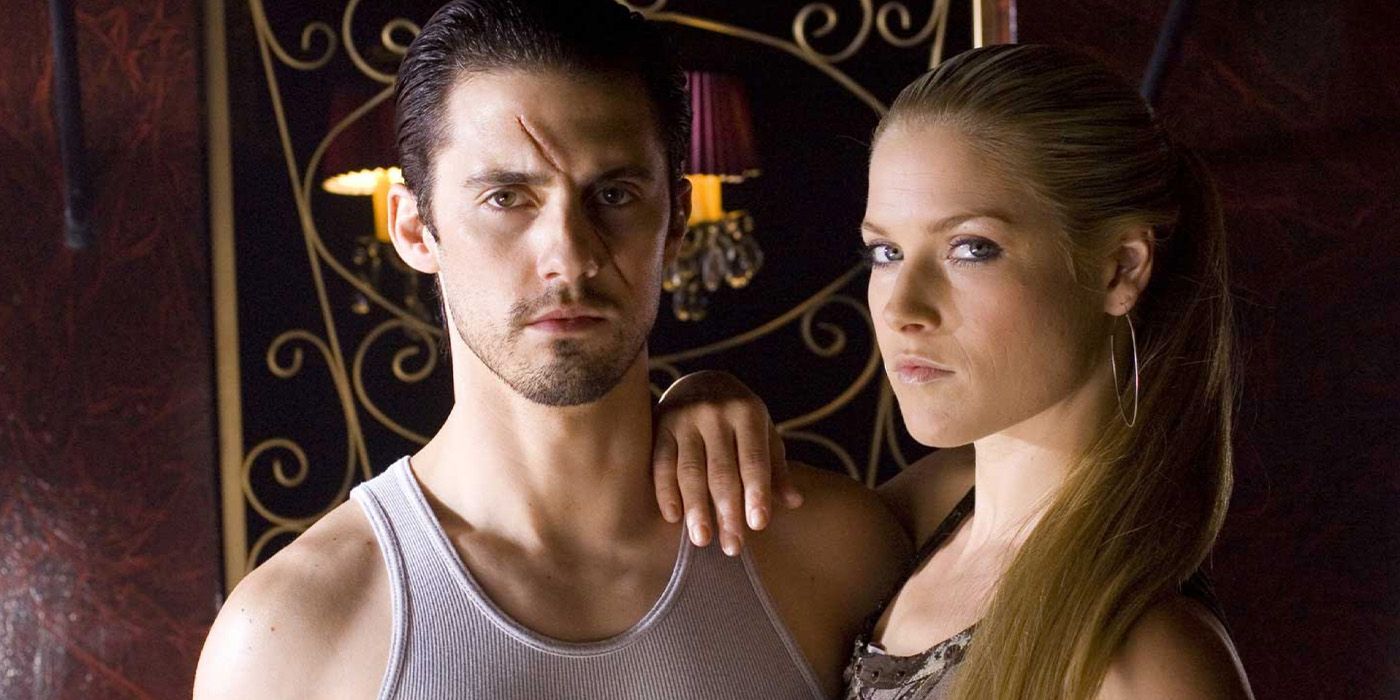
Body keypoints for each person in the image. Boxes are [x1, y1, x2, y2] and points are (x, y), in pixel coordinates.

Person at [192, 2, 909, 698]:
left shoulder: (834, 555)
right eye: (507, 198)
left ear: (676, 220)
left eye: (615, 195)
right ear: (414, 229)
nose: (569, 256)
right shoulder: (292, 639)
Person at [655, 45, 1255, 699]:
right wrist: (699, 395)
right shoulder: (921, 518)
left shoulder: (1145, 660)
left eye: (972, 248)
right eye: (885, 252)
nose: (902, 308)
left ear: (1120, 269)